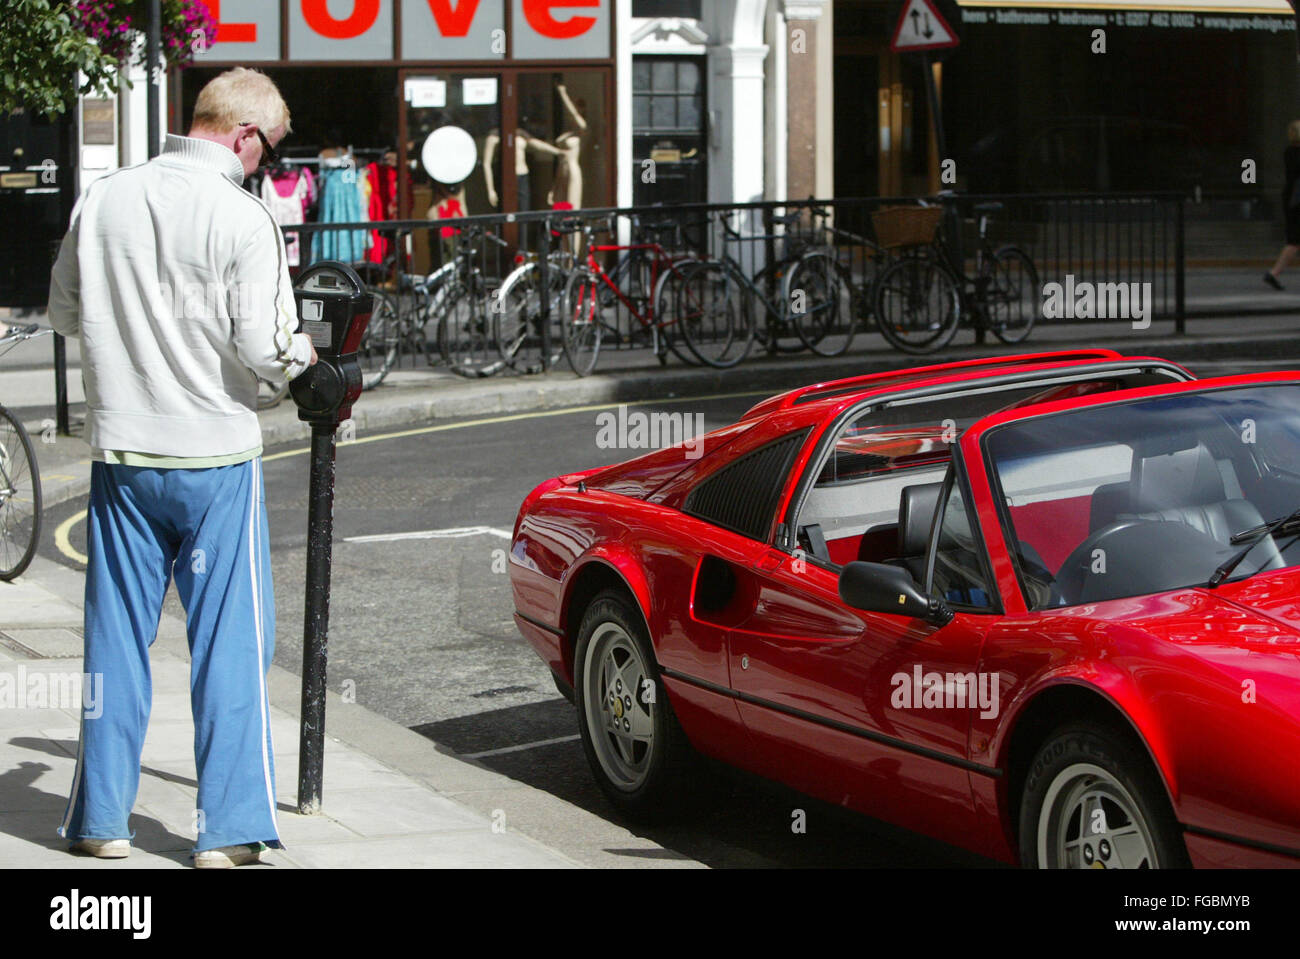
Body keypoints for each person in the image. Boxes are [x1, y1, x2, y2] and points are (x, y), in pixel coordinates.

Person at [47, 67, 316, 869]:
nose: (264, 164)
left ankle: (100, 820)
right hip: (214, 456)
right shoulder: (244, 214)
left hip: (122, 456)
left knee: (114, 640)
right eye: (266, 149)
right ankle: (228, 831)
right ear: (243, 136)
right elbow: (269, 347)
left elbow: (64, 311)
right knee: (231, 644)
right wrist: (301, 357)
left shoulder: (105, 199)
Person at [1265, 119, 1300, 290]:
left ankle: (1274, 273)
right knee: (1294, 241)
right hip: (1297, 199)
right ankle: (1273, 273)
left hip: (1291, 197)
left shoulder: (1289, 152)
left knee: (1294, 240)